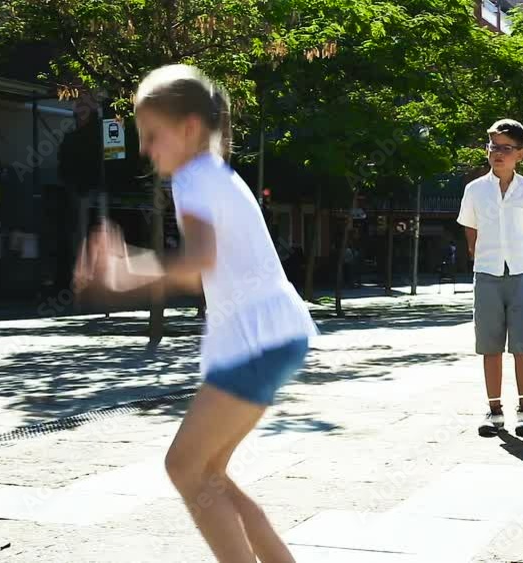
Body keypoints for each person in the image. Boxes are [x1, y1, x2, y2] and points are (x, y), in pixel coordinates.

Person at [74, 64, 316, 561]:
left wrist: (125, 273)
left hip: (256, 338)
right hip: (274, 333)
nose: (144, 149)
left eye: (151, 135)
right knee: (209, 475)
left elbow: (200, 260)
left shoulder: (193, 178)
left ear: (188, 129)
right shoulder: (216, 175)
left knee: (184, 468)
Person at [457, 119, 523, 437]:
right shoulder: (474, 190)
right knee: (490, 346)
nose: (498, 153)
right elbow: (470, 229)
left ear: (520, 154)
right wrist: (482, 254)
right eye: (493, 146)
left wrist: (520, 257)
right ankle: (493, 410)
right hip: (487, 275)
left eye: (506, 148)